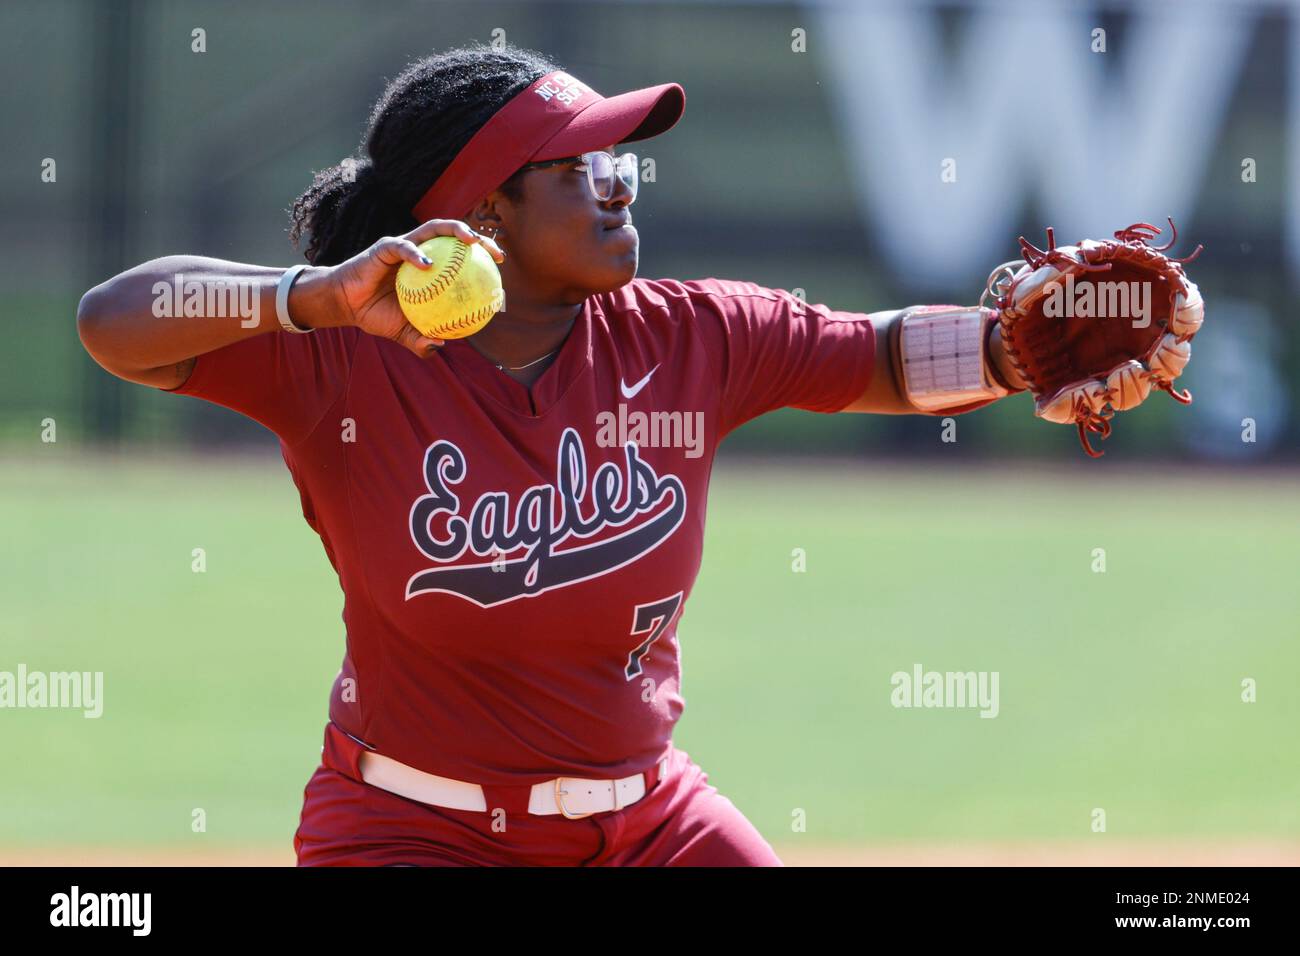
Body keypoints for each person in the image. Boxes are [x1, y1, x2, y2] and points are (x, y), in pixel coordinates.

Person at [76, 43, 1027, 866]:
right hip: (412, 830)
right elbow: (114, 324)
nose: (618, 189)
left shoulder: (686, 338)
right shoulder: (345, 359)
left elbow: (882, 358)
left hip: (653, 823)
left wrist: (1014, 350)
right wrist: (309, 295)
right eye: (579, 170)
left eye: (618, 166)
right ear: (486, 216)